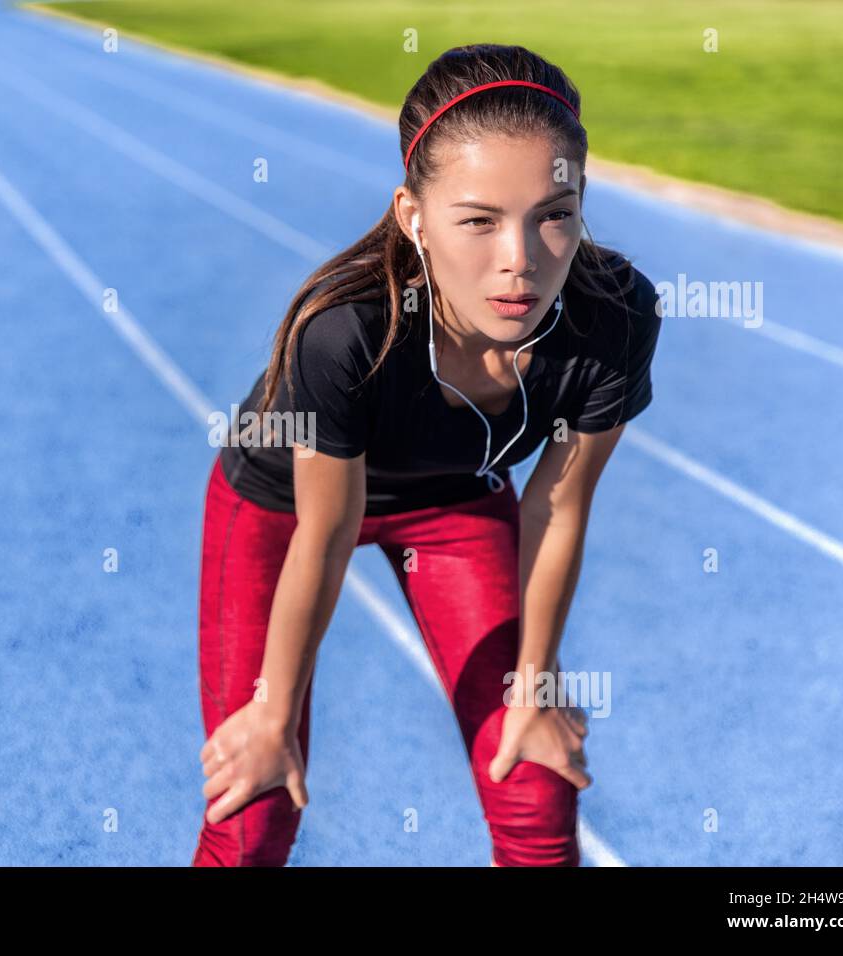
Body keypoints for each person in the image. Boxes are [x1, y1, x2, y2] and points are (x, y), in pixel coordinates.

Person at [192, 43, 663, 867]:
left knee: (537, 776)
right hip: (288, 507)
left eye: (554, 213)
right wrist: (272, 719)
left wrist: (535, 683)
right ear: (413, 215)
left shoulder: (616, 317)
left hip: (452, 501)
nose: (520, 258)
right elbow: (326, 535)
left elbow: (556, 505)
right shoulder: (346, 333)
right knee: (254, 807)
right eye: (478, 220)